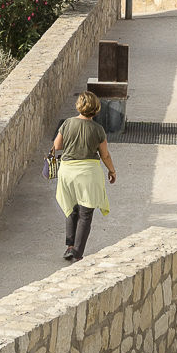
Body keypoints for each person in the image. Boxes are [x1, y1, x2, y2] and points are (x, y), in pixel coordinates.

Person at [52, 91, 116, 262]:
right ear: (96, 109)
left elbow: (57, 145)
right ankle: (78, 253)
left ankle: (69, 247)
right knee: (85, 214)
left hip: (67, 172)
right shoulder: (98, 129)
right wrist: (112, 170)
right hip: (88, 173)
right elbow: (105, 155)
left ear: (78, 106)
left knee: (71, 210)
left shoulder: (67, 123)